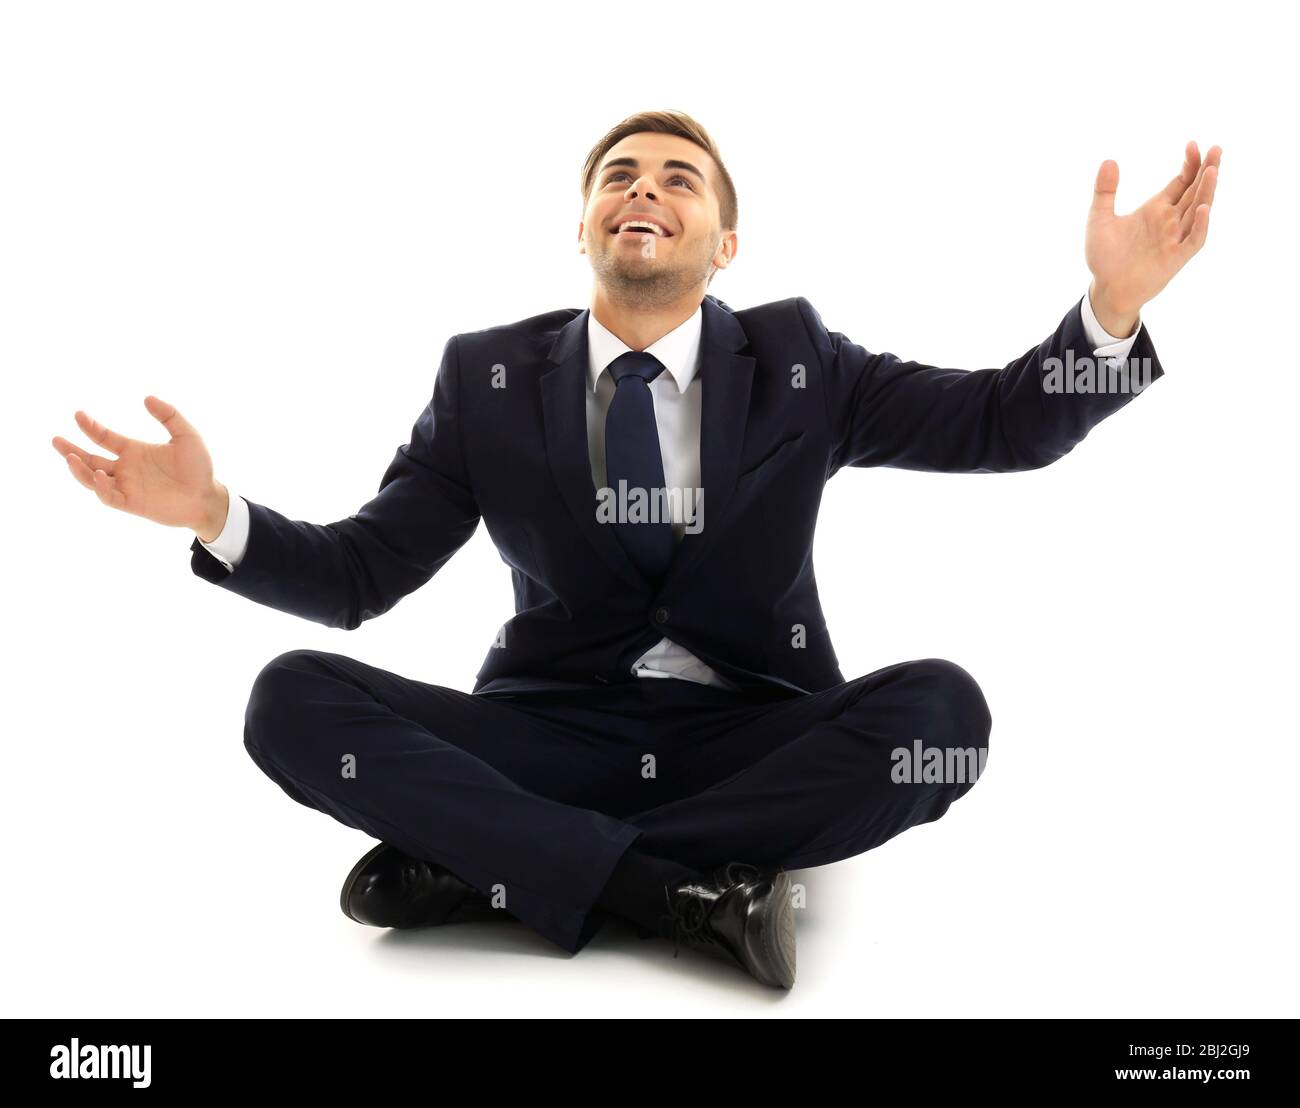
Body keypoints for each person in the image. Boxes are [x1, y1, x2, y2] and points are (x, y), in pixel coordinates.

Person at [52, 110, 1220, 990]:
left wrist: (1108, 314)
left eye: (677, 178)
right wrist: (214, 514)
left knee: (944, 719)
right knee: (289, 700)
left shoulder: (803, 363)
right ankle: (682, 892)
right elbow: (361, 575)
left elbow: (1001, 424)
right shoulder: (487, 378)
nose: (642, 189)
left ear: (725, 244)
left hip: (745, 741)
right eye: (617, 176)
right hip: (543, 736)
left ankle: (491, 869)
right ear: (582, 228)